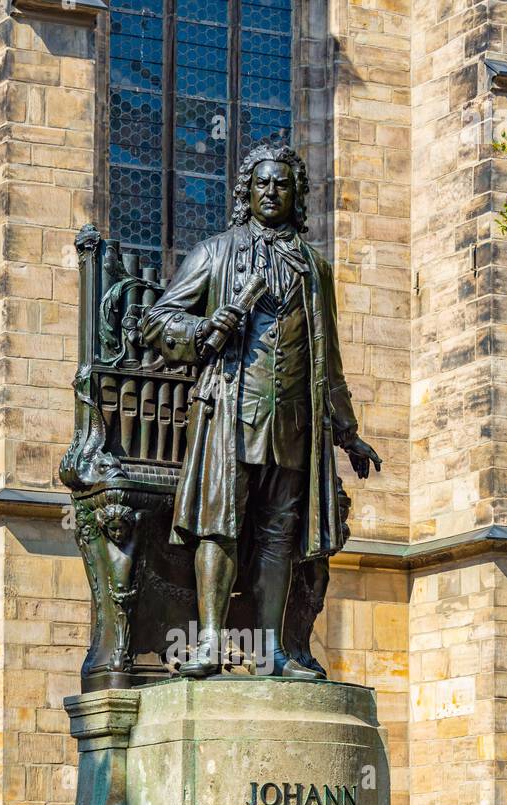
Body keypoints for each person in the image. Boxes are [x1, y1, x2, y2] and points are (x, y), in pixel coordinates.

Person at [141, 144, 381, 678]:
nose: (272, 192)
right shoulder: (215, 253)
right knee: (219, 526)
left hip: (293, 422)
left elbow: (329, 357)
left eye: (283, 184)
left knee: (280, 533)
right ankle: (208, 642)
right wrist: (201, 329)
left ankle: (272, 650)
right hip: (229, 412)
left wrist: (348, 432)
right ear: (246, 191)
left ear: (296, 195)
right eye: (263, 183)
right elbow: (157, 322)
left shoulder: (314, 269)